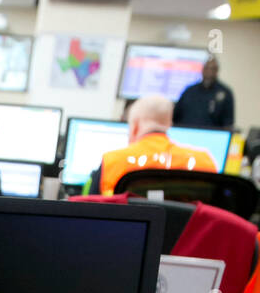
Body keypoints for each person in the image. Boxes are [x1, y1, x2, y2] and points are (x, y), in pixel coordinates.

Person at [89, 94, 217, 195]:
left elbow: (91, 213)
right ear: (168, 125)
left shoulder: (113, 161)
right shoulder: (204, 161)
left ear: (135, 125)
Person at [173, 57, 235, 129]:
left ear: (217, 71)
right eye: (206, 68)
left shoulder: (225, 93)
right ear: (202, 70)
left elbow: (228, 124)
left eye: (212, 69)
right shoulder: (189, 91)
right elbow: (175, 116)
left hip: (213, 137)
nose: (209, 72)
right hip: (185, 134)